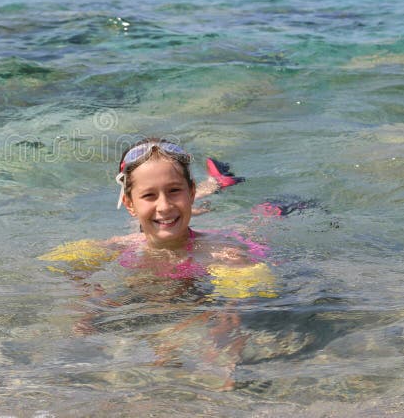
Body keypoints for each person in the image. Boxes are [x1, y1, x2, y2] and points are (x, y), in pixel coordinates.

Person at [39, 138, 277, 389]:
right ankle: (215, 184)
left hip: (214, 239)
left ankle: (224, 187)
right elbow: (59, 266)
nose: (163, 204)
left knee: (252, 228)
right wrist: (89, 296)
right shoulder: (120, 245)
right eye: (149, 195)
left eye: (174, 190)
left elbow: (241, 305)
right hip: (149, 233)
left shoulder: (222, 252)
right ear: (129, 204)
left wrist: (227, 337)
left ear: (190, 192)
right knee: (157, 222)